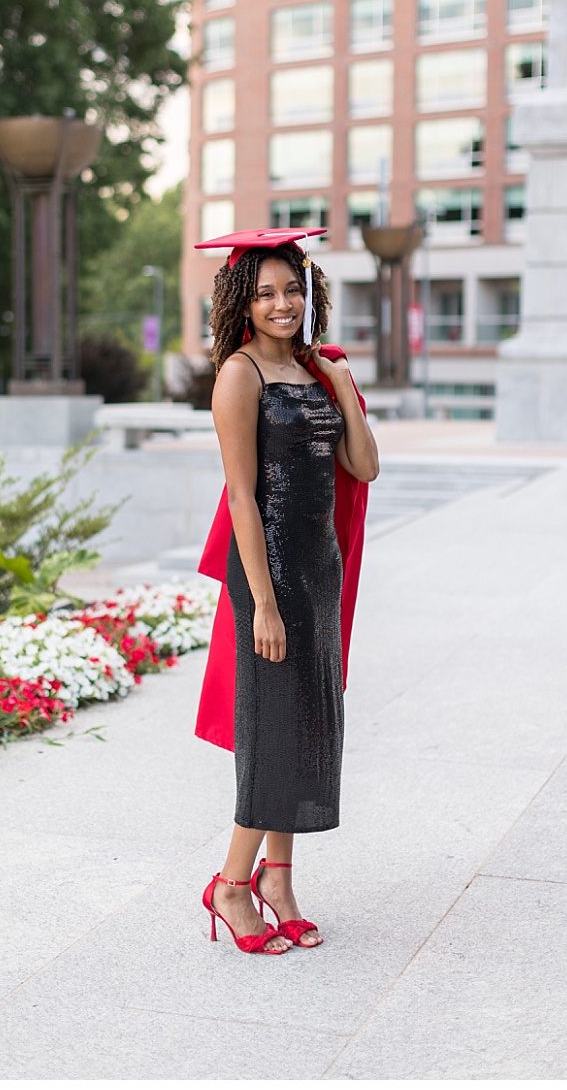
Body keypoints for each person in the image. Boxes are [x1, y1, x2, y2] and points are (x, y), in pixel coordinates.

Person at [191, 229, 377, 955]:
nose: (282, 303)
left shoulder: (312, 368)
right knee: (272, 729)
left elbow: (364, 465)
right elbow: (242, 497)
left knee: (307, 723)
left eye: (293, 289)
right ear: (243, 301)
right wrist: (263, 605)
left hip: (319, 567)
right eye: (266, 292)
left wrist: (342, 385)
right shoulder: (239, 377)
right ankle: (230, 884)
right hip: (266, 572)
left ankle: (279, 879)